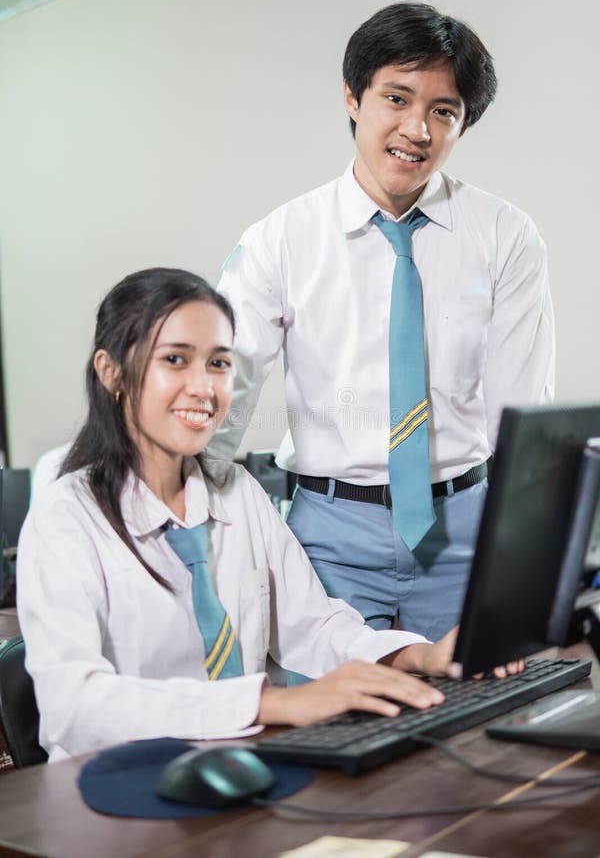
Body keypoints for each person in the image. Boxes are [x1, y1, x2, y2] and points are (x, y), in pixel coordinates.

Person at [17, 268, 524, 763]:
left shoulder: (235, 491)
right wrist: (271, 703)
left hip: (240, 763)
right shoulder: (66, 519)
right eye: (176, 360)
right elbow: (73, 705)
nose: (204, 387)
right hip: (115, 784)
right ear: (112, 373)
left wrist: (420, 656)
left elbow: (313, 625)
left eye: (218, 364)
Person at [213, 2, 555, 641]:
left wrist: (526, 550)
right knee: (335, 723)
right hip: (329, 531)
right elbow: (223, 395)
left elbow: (518, 414)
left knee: (475, 717)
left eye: (443, 111)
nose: (417, 130)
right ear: (352, 97)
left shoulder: (506, 237)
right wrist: (193, 535)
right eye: (396, 98)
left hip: (467, 524)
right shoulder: (280, 239)